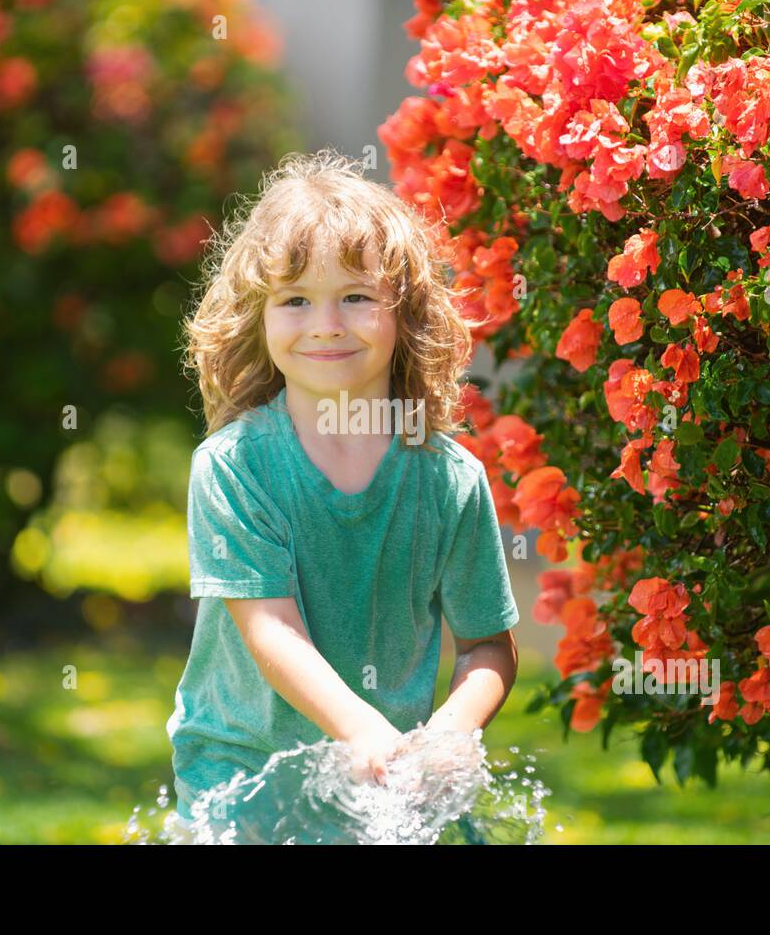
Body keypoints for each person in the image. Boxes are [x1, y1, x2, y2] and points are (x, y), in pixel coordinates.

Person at [165, 148, 520, 841]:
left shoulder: (448, 478)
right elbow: (270, 628)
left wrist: (450, 732)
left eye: (356, 296)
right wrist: (362, 728)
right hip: (243, 779)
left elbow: (486, 644)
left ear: (406, 314)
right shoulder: (236, 467)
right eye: (295, 299)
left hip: (385, 784)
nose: (326, 322)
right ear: (259, 318)